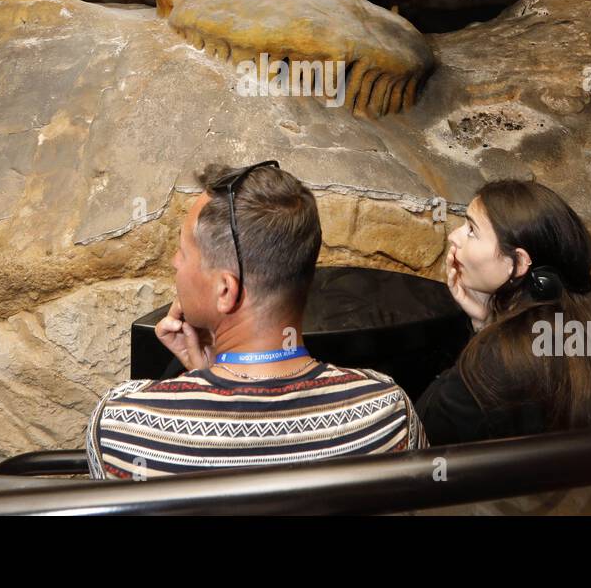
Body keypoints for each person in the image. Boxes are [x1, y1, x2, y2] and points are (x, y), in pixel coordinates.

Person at [86, 160, 427, 479]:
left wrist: (201, 377)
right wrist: (206, 371)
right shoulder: (388, 415)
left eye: (184, 251)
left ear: (225, 291)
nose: (175, 263)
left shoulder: (123, 427)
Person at [417, 179, 591, 448]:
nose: (454, 237)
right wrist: (485, 320)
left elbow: (427, 427)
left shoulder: (502, 357)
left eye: (472, 230)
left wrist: (485, 336)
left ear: (517, 263)